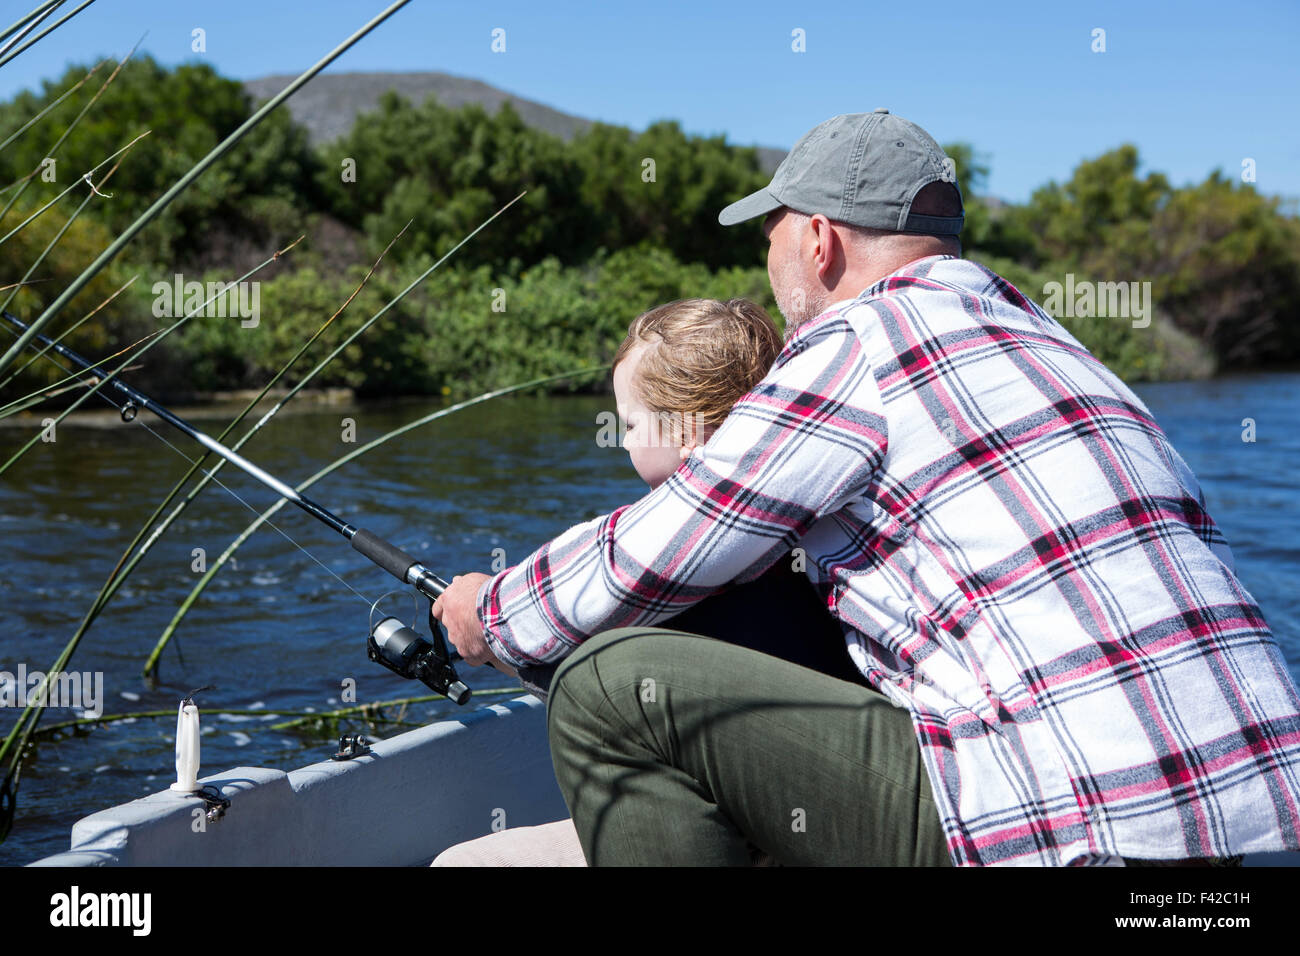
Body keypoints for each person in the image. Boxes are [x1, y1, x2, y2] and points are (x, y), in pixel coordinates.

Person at [433, 110, 1300, 866]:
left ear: (818, 240)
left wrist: (491, 610)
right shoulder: (1057, 348)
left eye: (769, 236)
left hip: (1091, 837)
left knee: (609, 686)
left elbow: (660, 549)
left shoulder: (864, 339)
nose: (768, 266)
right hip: (1263, 838)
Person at [432, 296, 862, 866]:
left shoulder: (680, 564)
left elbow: (587, 676)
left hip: (751, 830)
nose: (623, 441)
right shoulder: (816, 531)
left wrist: (487, 636)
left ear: (687, 430)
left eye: (631, 424)